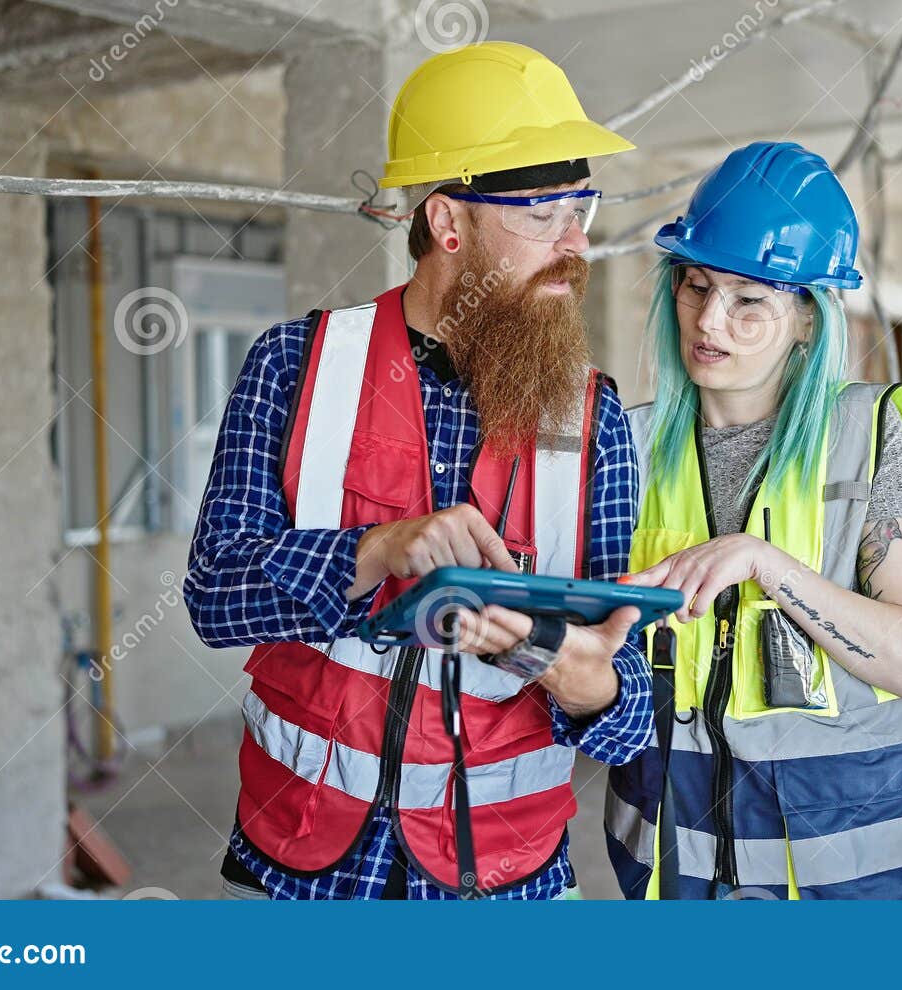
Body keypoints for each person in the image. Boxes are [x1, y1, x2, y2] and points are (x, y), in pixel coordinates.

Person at [185, 41, 650, 900]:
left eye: (582, 210)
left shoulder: (596, 423)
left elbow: (626, 725)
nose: (577, 244)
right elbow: (215, 598)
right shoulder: (295, 367)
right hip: (307, 865)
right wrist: (377, 549)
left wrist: (549, 654)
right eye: (543, 215)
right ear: (447, 222)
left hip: (505, 882)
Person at [606, 141, 902, 900]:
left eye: (748, 299)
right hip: (675, 880)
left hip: (847, 894)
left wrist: (766, 563)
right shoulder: (627, 446)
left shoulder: (865, 436)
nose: (709, 319)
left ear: (806, 321)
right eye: (695, 285)